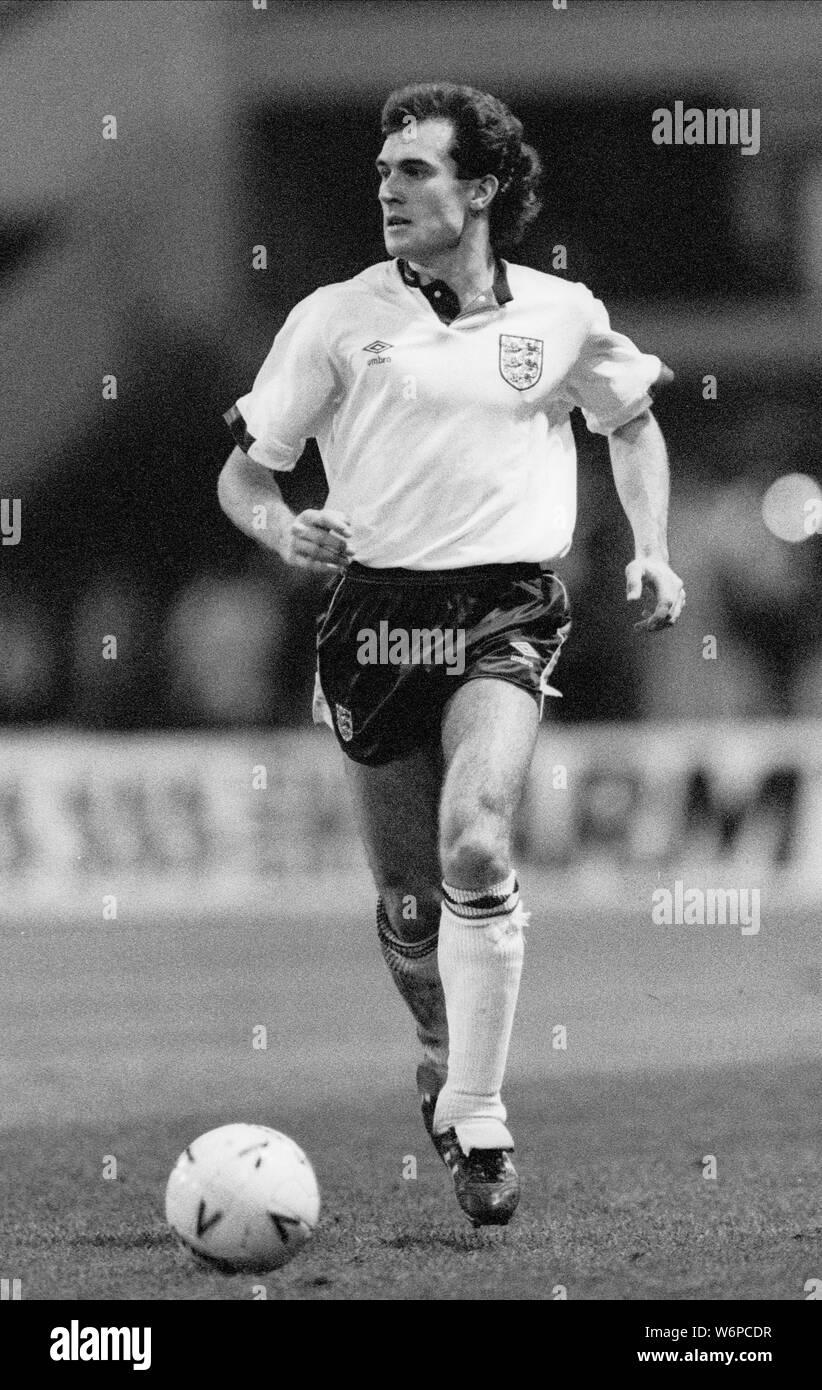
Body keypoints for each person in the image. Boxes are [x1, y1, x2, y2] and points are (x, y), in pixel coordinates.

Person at [218, 82, 685, 1227]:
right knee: (411, 903)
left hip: (504, 611)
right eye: (382, 171)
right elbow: (246, 470)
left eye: (415, 169)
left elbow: (630, 422)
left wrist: (654, 549)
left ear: (479, 189)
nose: (388, 186)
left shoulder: (563, 314)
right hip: (374, 618)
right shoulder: (335, 316)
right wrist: (283, 527)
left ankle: (480, 1114)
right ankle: (440, 1050)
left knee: (475, 841)